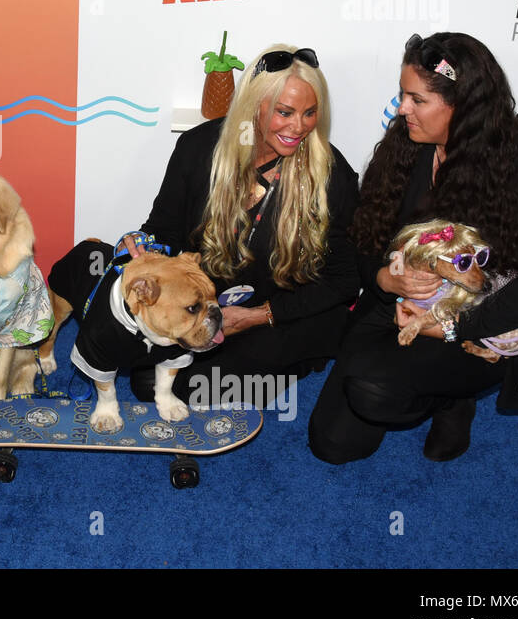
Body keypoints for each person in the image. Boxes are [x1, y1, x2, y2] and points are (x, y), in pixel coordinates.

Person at [308, 33, 518, 463]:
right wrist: (384, 277)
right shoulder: (406, 143)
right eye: (402, 96)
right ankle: (421, 381)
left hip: (476, 318)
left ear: (462, 104)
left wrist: (450, 327)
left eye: (417, 99)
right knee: (333, 445)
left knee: (374, 391)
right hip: (396, 302)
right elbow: (365, 235)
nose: (402, 109)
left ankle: (452, 399)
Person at [121, 45, 360, 408]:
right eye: (285, 112)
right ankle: (260, 369)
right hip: (208, 305)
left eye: (310, 113)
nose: (298, 126)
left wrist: (258, 316)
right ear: (254, 105)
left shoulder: (331, 176)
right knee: (143, 379)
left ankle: (287, 364)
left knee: (190, 387)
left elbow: (344, 281)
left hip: (285, 310)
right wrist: (144, 245)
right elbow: (163, 230)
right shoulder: (198, 149)